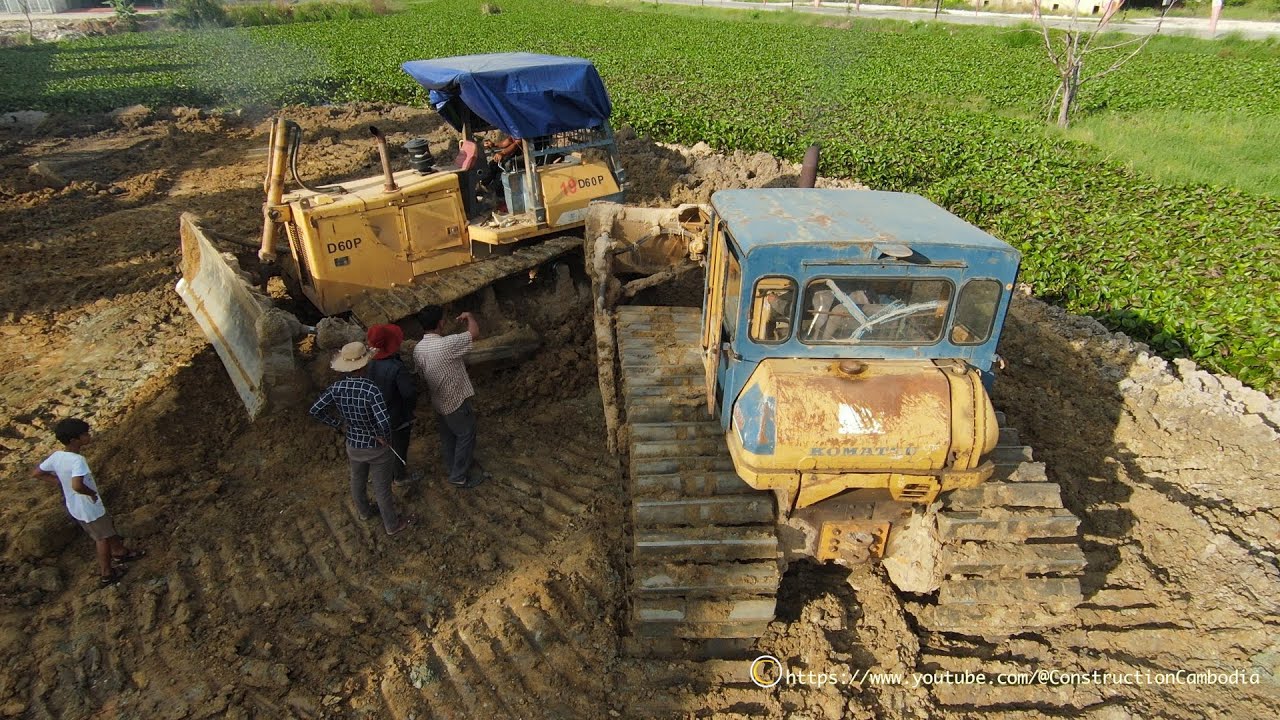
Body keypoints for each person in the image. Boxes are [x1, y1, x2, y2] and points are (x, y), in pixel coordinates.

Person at [310, 342, 415, 536]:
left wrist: (337, 424)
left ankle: (364, 512)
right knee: (381, 487)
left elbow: (315, 409)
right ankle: (392, 524)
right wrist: (384, 436)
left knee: (357, 480)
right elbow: (383, 421)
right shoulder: (371, 390)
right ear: (365, 364)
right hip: (376, 447)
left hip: (353, 444)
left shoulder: (336, 388)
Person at [32, 418, 145, 587]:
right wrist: (91, 493)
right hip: (88, 506)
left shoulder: (57, 456)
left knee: (105, 528)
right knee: (101, 538)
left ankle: (120, 551)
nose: (88, 436)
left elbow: (37, 473)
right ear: (74, 440)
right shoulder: (78, 461)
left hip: (75, 506)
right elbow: (77, 485)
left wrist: (60, 483)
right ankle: (107, 573)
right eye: (84, 434)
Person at [413, 306, 488, 488]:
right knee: (466, 434)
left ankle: (452, 466)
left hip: (438, 400)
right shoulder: (447, 344)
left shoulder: (418, 349)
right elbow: (474, 332)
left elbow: (421, 374)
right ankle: (459, 475)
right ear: (440, 323)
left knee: (448, 437)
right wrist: (469, 315)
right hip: (455, 400)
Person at [365, 323, 421, 488]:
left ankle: (385, 474)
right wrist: (409, 411)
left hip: (376, 415)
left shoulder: (367, 364)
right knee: (399, 445)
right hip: (396, 416)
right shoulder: (396, 368)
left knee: (383, 447)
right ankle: (400, 477)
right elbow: (409, 393)